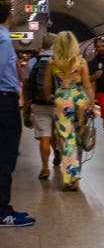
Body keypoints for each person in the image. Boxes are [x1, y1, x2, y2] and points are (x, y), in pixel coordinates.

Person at [0, 1, 35, 226]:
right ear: (10, 14)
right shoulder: (3, 38)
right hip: (4, 103)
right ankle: (4, 212)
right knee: (6, 158)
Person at [45, 31, 93, 192]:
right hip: (80, 100)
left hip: (62, 101)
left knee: (67, 140)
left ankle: (70, 178)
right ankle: (75, 178)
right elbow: (87, 85)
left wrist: (50, 96)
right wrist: (91, 103)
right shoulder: (81, 61)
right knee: (78, 139)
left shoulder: (51, 62)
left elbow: (46, 87)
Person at [23, 32, 60, 180]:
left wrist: (27, 103)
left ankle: (45, 167)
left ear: (43, 46)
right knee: (58, 132)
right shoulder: (60, 60)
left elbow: (26, 84)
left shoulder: (33, 61)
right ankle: (58, 150)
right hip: (59, 103)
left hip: (39, 103)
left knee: (45, 136)